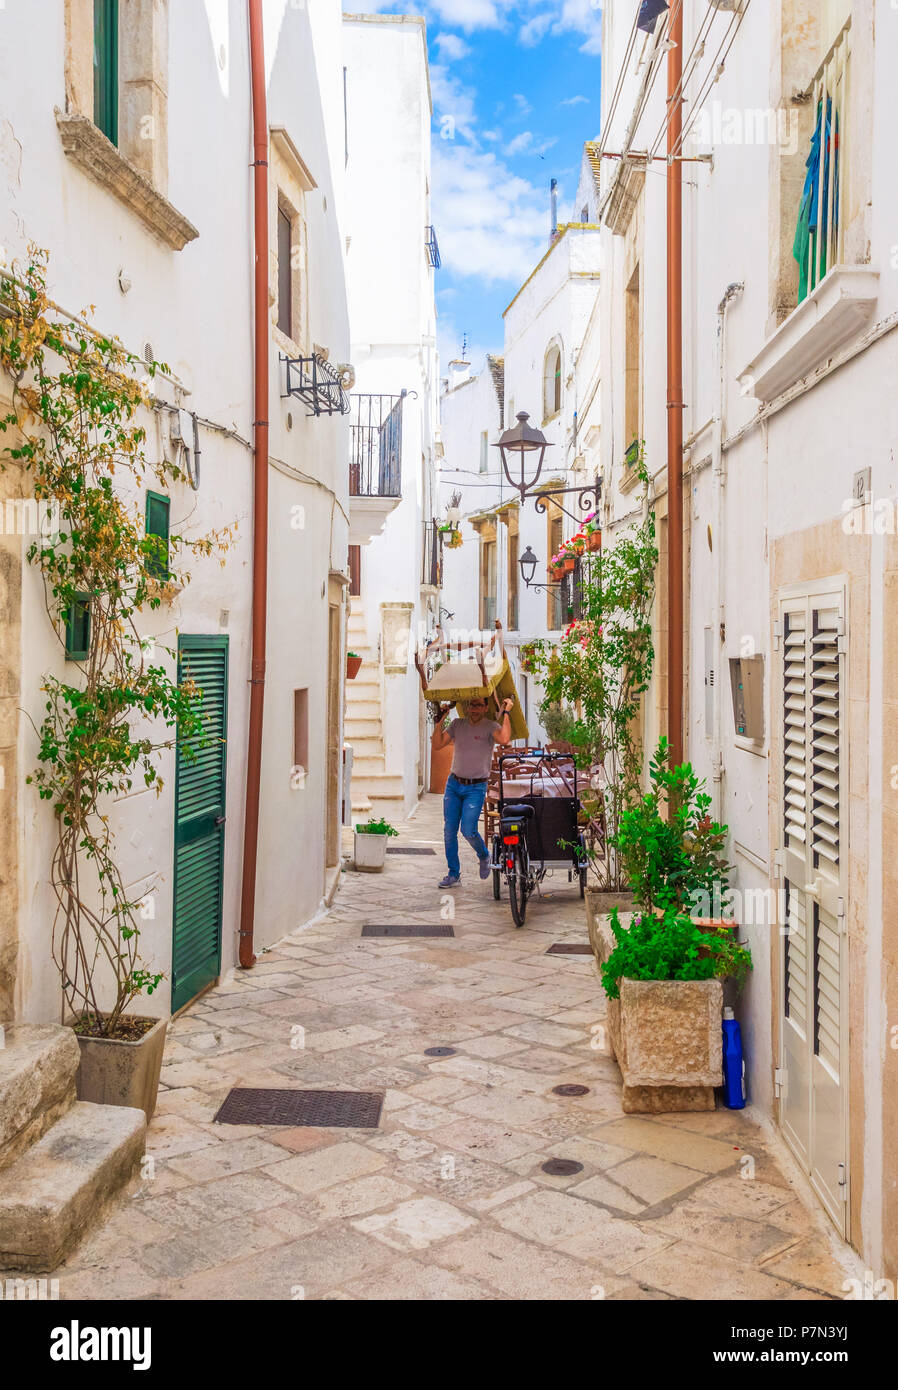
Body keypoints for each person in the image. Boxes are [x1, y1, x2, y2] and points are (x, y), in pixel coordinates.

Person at [432, 694, 514, 888]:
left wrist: (507, 712)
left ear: (485, 708)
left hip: (476, 787)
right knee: (449, 831)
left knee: (468, 830)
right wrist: (441, 719)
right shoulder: (458, 724)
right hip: (454, 785)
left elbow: (504, 738)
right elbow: (437, 744)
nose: (474, 709)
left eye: (478, 705)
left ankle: (484, 855)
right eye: (471, 705)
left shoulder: (490, 727)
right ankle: (454, 874)